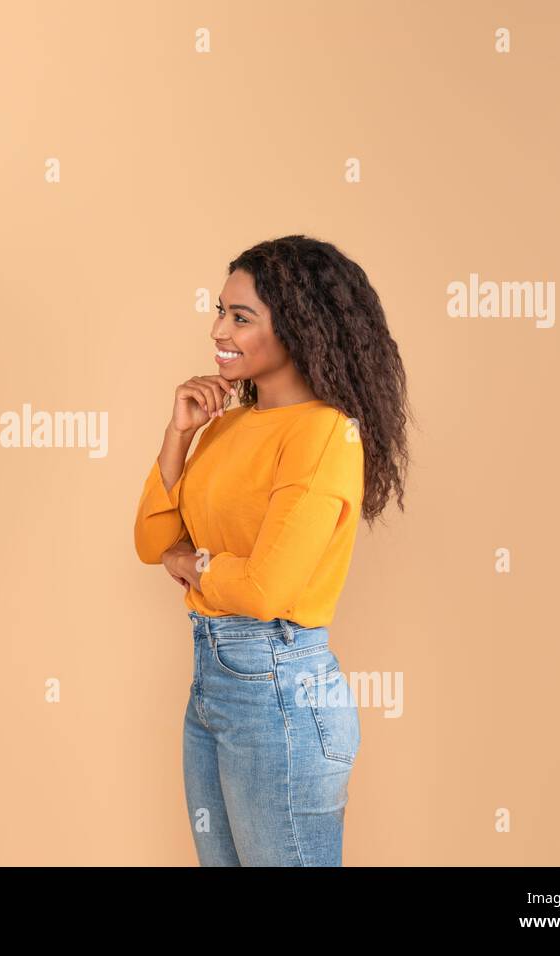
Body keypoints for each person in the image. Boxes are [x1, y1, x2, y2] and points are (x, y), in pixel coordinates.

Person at [133, 236, 411, 866]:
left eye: (240, 316)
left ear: (299, 326)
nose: (217, 330)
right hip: (213, 683)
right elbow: (152, 542)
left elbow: (265, 592)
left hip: (283, 688)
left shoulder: (324, 434)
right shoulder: (226, 423)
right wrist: (178, 436)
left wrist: (193, 563)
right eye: (219, 311)